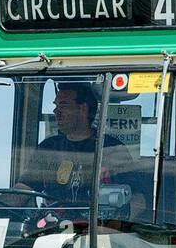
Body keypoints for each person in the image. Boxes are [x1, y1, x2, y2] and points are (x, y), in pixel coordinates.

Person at [15, 82, 143, 212]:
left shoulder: (113, 149)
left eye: (63, 106)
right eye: (56, 106)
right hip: (53, 223)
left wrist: (118, 220)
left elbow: (138, 200)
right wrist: (2, 205)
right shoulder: (49, 147)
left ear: (83, 109)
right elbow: (24, 188)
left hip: (97, 223)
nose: (56, 111)